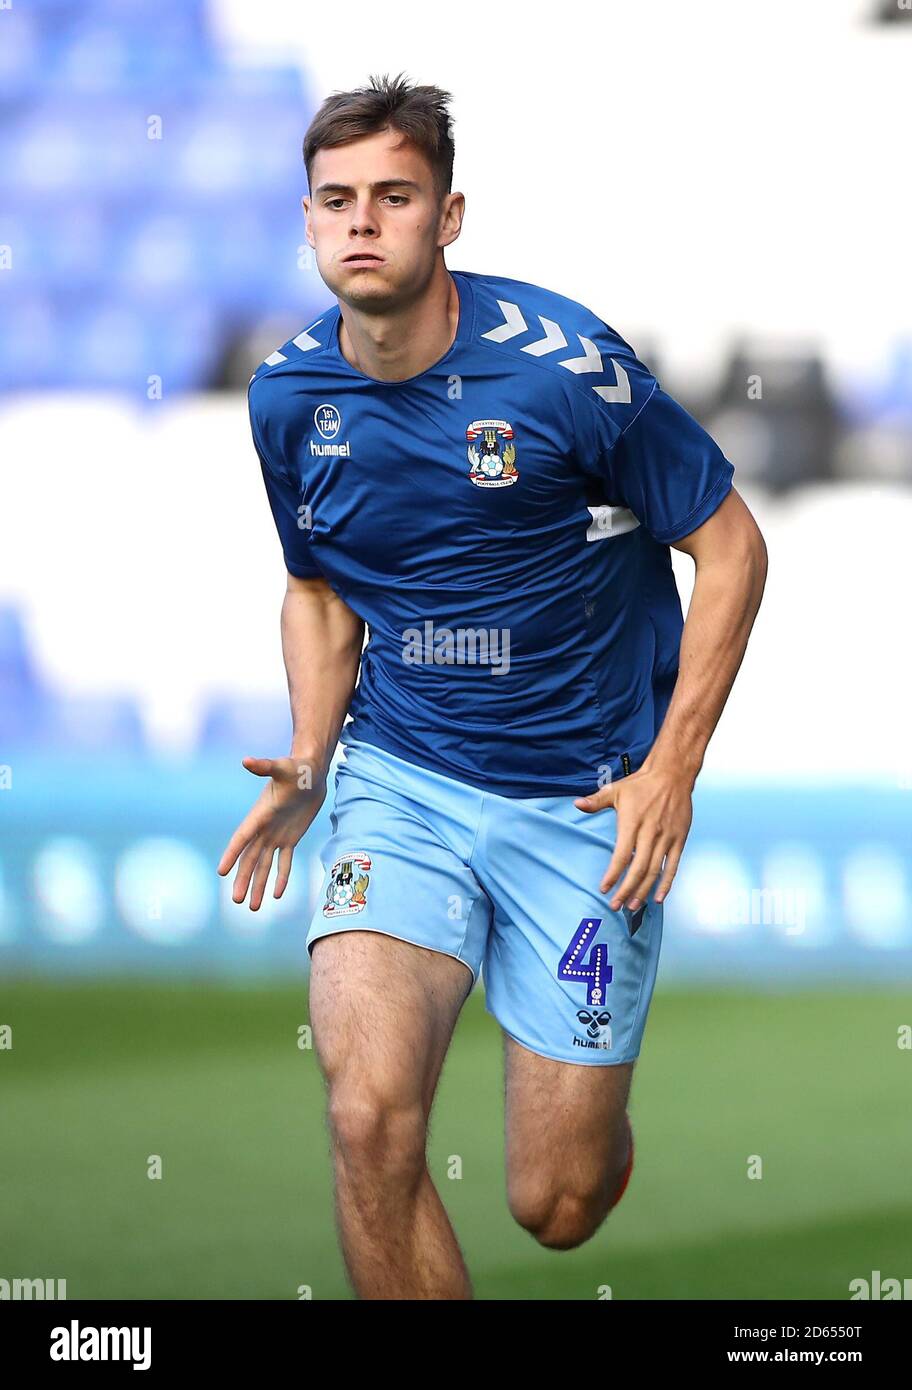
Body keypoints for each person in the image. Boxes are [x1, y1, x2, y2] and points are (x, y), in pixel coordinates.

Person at [218, 72, 768, 1300]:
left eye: (394, 196)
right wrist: (312, 758)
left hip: (582, 805)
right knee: (369, 1117)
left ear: (448, 217)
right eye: (335, 199)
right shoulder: (290, 397)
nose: (362, 221)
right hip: (402, 781)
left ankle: (594, 1133)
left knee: (554, 1205)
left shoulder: (566, 368)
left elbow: (731, 544)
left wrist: (670, 771)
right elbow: (320, 586)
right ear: (308, 220)